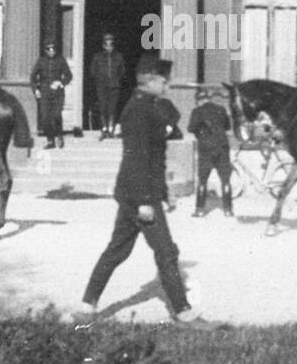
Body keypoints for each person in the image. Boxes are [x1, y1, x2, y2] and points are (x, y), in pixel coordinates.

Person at [78, 55, 207, 327]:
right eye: (164, 81)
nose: (167, 86)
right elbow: (137, 159)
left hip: (135, 191)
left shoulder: (148, 106)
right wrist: (146, 201)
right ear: (149, 80)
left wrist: (164, 191)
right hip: (138, 194)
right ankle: (183, 311)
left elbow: (154, 156)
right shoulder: (138, 110)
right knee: (166, 251)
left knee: (118, 250)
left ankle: (87, 305)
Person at [189, 88, 234, 217]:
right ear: (208, 98)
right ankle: (228, 210)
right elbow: (227, 127)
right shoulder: (221, 109)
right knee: (225, 180)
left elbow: (191, 128)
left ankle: (199, 210)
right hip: (222, 147)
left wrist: (200, 133)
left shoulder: (197, 111)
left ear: (198, 100)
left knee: (202, 180)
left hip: (206, 148)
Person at [30, 40, 72, 149]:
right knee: (45, 117)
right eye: (49, 49)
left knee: (56, 114)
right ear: (45, 50)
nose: (51, 51)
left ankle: (59, 134)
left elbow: (68, 75)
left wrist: (61, 83)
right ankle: (50, 140)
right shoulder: (41, 61)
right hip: (45, 92)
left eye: (53, 49)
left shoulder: (60, 60)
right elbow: (33, 76)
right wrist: (36, 90)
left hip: (57, 93)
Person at [88, 33, 125, 139]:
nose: (109, 47)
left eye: (111, 44)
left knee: (112, 108)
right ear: (103, 45)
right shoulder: (98, 57)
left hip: (114, 86)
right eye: (106, 44)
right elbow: (93, 71)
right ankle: (104, 128)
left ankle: (110, 128)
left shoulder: (118, 56)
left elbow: (122, 71)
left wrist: (116, 79)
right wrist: (100, 80)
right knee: (103, 107)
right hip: (102, 86)